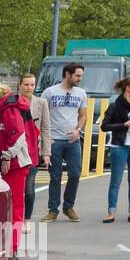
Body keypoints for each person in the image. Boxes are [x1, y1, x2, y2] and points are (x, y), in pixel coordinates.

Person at [0, 82, 37, 253]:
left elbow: (18, 136)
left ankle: (12, 247)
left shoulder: (9, 109)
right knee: (14, 204)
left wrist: (6, 156)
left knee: (14, 206)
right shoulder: (12, 106)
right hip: (19, 162)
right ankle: (11, 245)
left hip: (15, 163)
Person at [41, 62, 88, 222]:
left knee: (75, 174)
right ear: (67, 74)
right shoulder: (50, 92)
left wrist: (78, 130)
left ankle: (68, 207)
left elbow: (83, 116)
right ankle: (53, 210)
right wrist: (45, 138)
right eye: (77, 75)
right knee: (55, 177)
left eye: (81, 75)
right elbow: (41, 116)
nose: (80, 79)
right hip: (54, 141)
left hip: (73, 141)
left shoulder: (81, 93)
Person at [100, 76, 130, 223]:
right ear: (128, 87)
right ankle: (111, 212)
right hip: (119, 146)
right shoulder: (115, 105)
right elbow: (104, 126)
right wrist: (123, 124)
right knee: (115, 181)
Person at [18, 72, 51, 231]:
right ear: (20, 86)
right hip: (15, 151)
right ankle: (14, 219)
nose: (29, 88)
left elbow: (46, 128)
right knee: (16, 187)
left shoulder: (41, 103)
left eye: (32, 85)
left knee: (29, 187)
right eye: (26, 84)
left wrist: (46, 152)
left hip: (32, 151)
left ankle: (27, 220)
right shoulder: (13, 102)